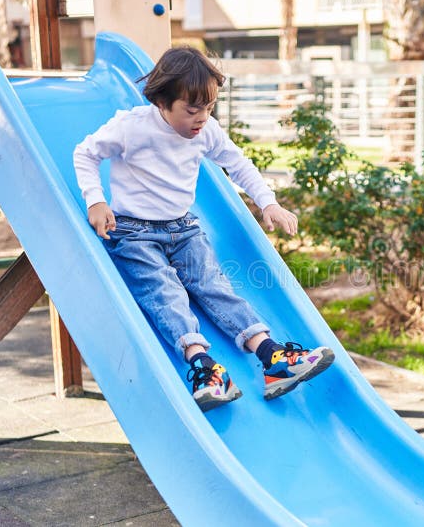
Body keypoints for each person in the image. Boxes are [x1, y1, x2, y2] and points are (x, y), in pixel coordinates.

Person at [73, 46, 334, 412]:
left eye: (209, 108)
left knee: (214, 286)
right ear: (162, 102)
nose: (201, 118)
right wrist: (95, 199)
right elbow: (86, 153)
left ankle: (272, 357)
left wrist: (268, 201)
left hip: (183, 229)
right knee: (163, 292)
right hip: (133, 232)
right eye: (192, 110)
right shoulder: (132, 126)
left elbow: (238, 164)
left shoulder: (206, 131)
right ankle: (203, 367)